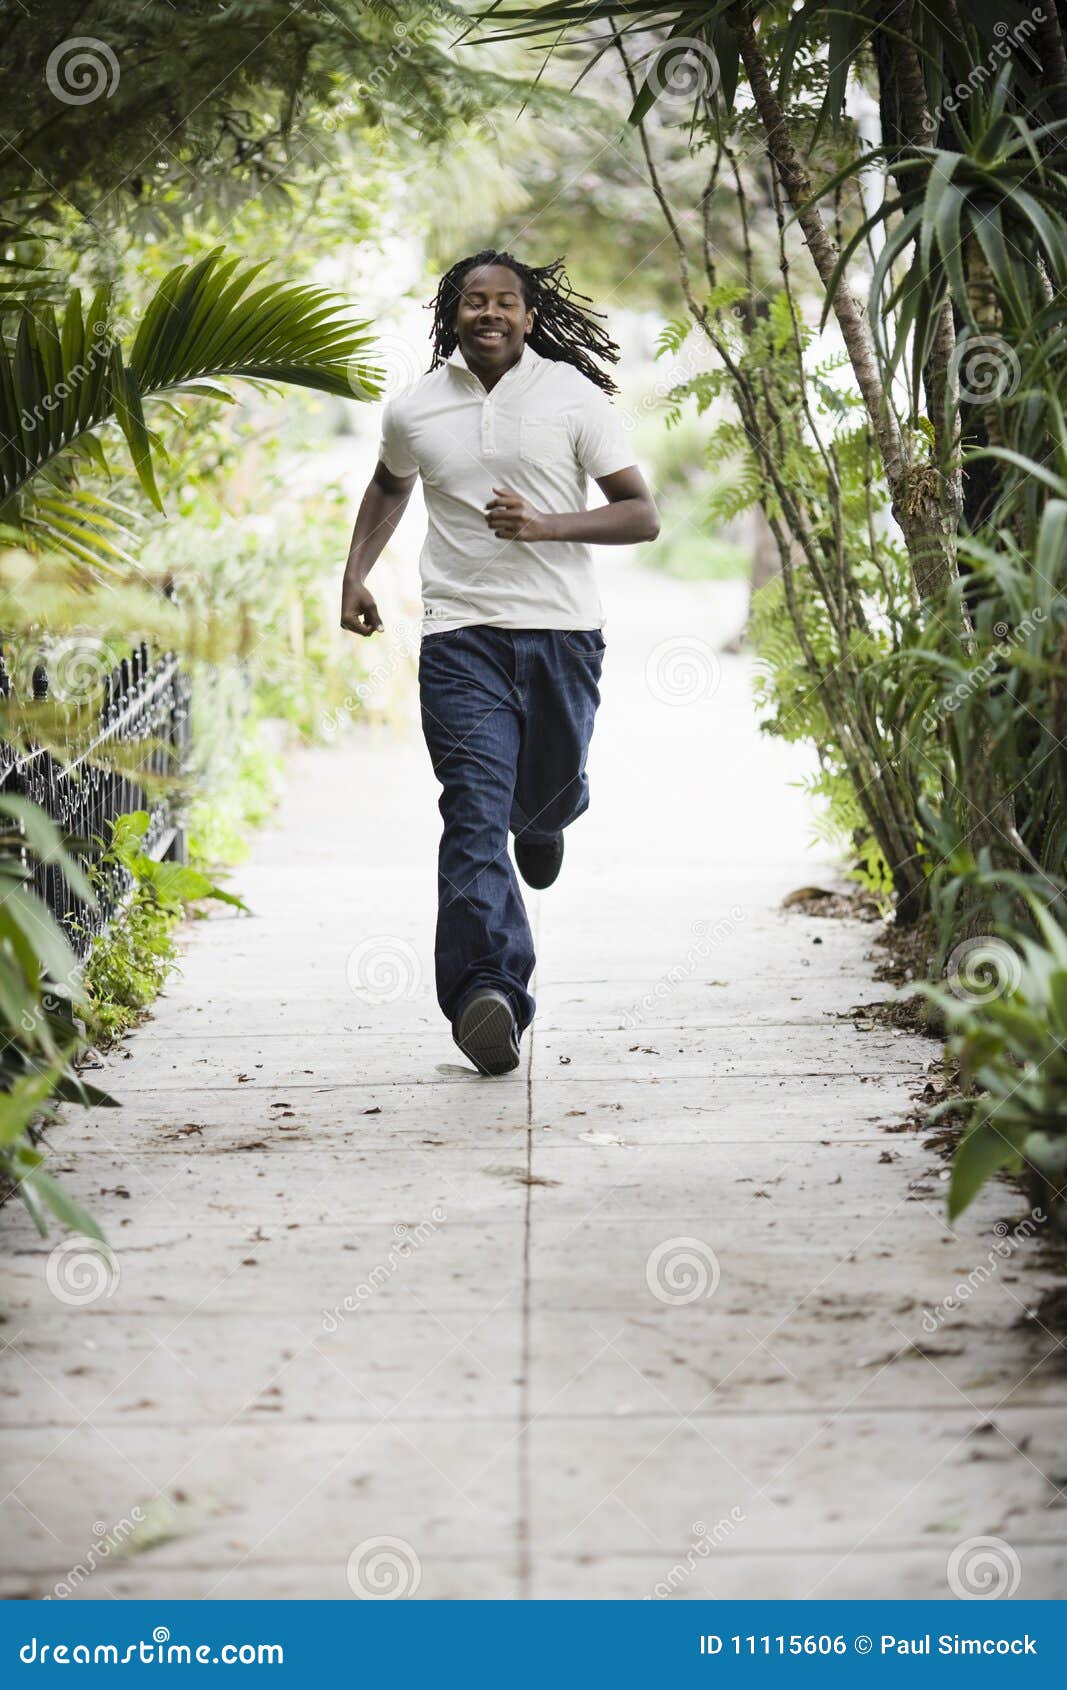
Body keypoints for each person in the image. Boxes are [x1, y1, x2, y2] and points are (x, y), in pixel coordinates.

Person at [340, 250, 659, 1075]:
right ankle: (488, 993)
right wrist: (354, 575)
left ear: (528, 314)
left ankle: (547, 818)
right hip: (460, 637)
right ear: (451, 314)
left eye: (505, 302)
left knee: (544, 790)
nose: (490, 314)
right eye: (473, 302)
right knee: (473, 814)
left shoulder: (571, 397)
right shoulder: (414, 410)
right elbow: (387, 487)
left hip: (561, 634)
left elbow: (640, 515)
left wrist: (547, 525)